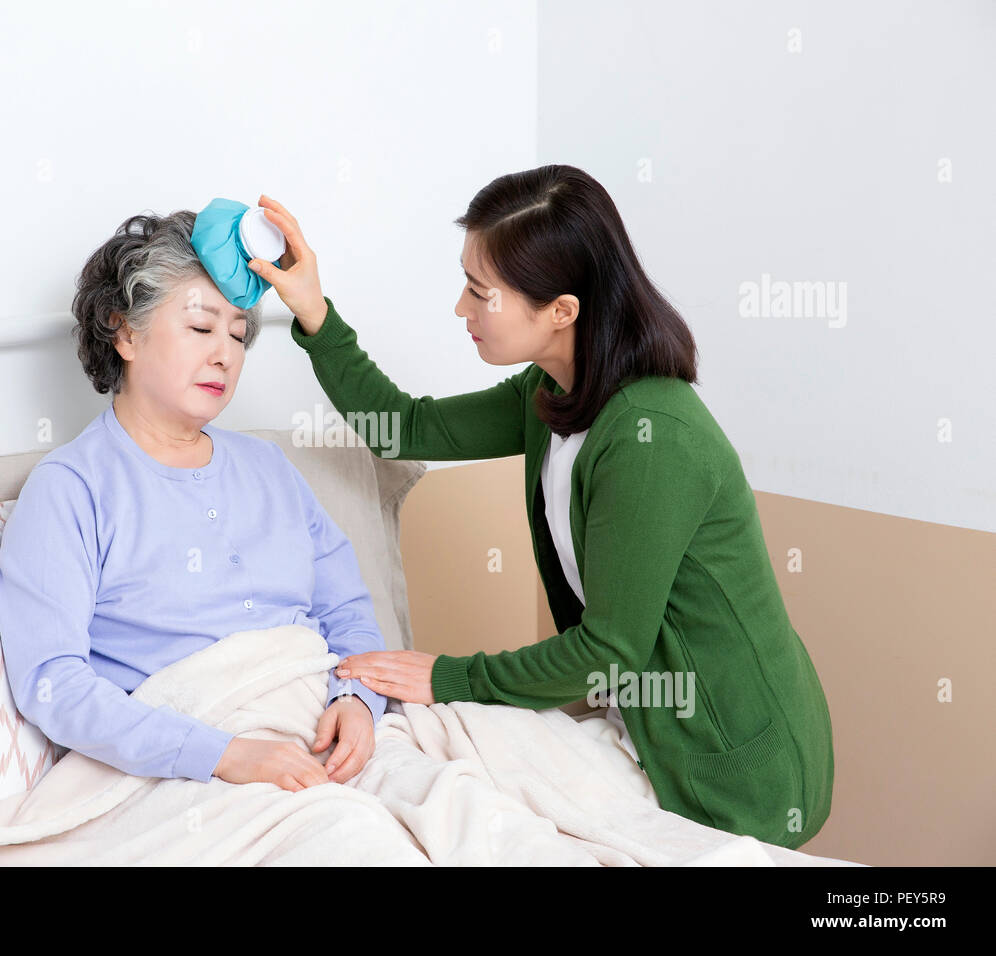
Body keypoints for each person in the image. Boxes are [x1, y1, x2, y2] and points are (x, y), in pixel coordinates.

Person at [246, 168, 835, 850]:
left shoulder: (651, 438)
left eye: (479, 292)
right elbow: (400, 428)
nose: (460, 311)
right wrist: (314, 311)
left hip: (731, 766)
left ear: (561, 310)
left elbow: (607, 650)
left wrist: (447, 675)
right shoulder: (553, 392)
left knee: (453, 765)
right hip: (645, 727)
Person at [0, 210, 389, 793]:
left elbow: (348, 614)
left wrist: (359, 700)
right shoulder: (71, 487)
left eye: (237, 334)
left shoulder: (270, 468)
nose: (225, 355)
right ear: (125, 332)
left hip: (332, 740)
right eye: (202, 328)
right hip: (195, 771)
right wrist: (222, 754)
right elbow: (53, 682)